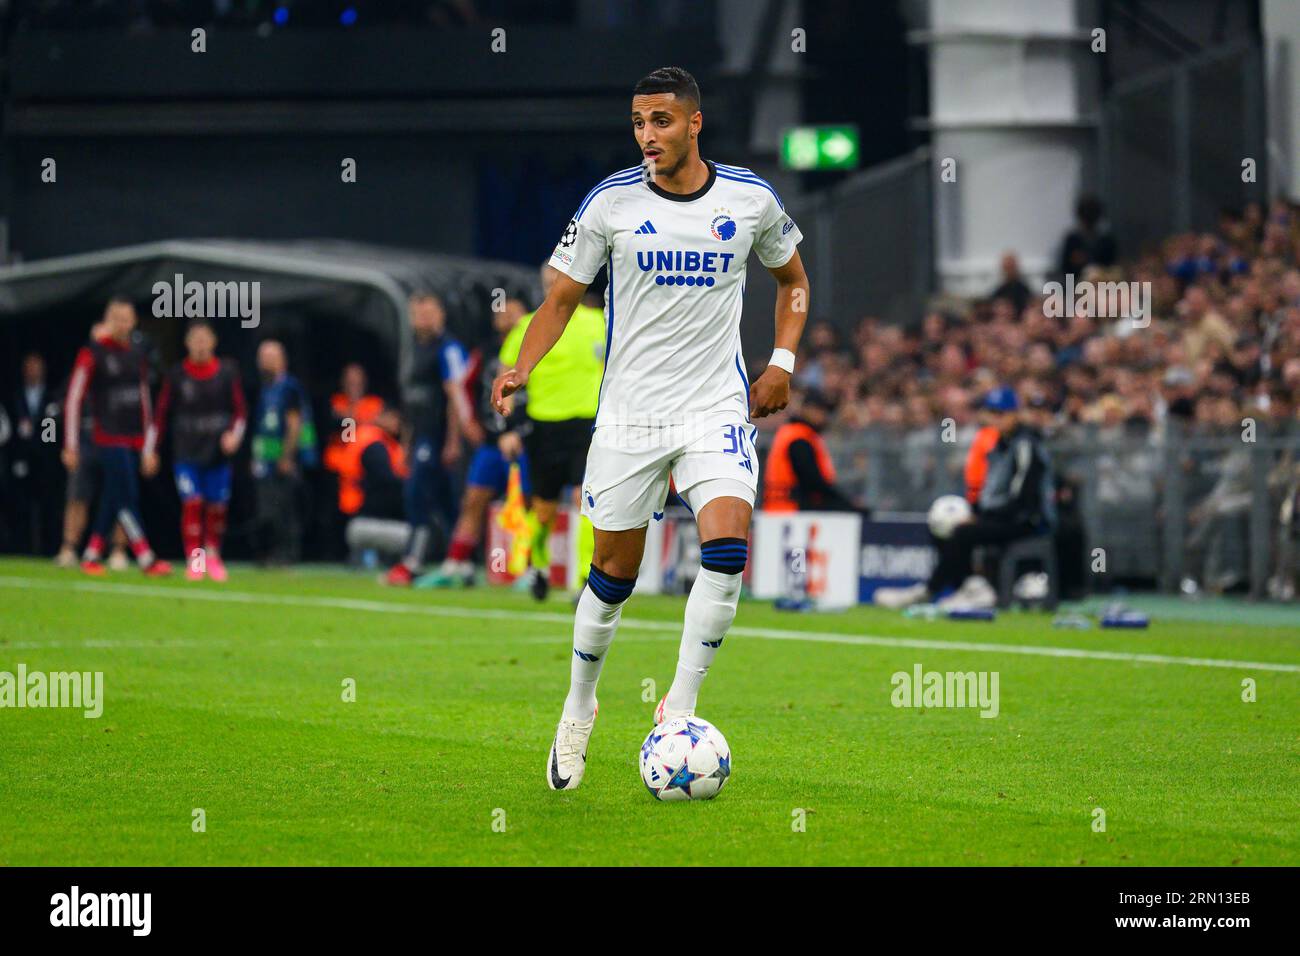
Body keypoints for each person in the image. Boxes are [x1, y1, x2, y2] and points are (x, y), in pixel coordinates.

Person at [492, 66, 809, 791]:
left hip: (714, 407)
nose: (647, 136)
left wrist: (782, 361)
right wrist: (524, 366)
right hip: (630, 414)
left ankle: (681, 707)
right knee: (613, 578)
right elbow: (562, 297)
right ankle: (579, 708)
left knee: (727, 547)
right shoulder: (612, 203)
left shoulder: (749, 199)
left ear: (694, 123)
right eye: (638, 122)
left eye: (661, 121)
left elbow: (793, 282)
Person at [875, 387, 1055, 610]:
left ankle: (934, 589)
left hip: (1027, 520)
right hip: (1004, 515)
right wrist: (977, 513)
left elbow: (1023, 497)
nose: (996, 419)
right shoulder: (999, 445)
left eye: (1001, 413)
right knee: (943, 526)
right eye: (992, 413)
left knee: (963, 532)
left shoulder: (1025, 444)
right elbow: (993, 491)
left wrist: (982, 517)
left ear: (1015, 414)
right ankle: (969, 586)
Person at [496, 265, 605, 600]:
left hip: (586, 423)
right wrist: (507, 428)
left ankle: (586, 579)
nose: (554, 286)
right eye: (547, 282)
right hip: (544, 427)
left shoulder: (599, 322)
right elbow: (504, 380)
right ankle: (538, 567)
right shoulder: (527, 328)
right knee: (543, 509)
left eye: (559, 279)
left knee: (584, 499)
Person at [419, 296, 534, 587]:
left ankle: (530, 568)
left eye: (513, 309)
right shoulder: (485, 352)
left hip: (526, 440)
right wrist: (469, 422)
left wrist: (524, 430)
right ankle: (456, 564)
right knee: (473, 500)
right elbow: (463, 387)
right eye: (501, 309)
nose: (505, 314)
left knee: (528, 504)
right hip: (491, 442)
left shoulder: (536, 350)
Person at [62, 298, 172, 576]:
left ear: (134, 321)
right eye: (116, 318)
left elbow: (144, 400)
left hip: (133, 438)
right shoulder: (93, 352)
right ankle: (145, 556)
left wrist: (149, 446)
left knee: (115, 497)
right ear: (107, 321)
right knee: (126, 497)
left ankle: (91, 554)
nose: (122, 324)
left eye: (126, 318)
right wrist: (70, 444)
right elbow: (74, 399)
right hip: (106, 437)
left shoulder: (138, 355)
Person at [385, 292, 480, 585]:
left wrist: (453, 441)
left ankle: (412, 561)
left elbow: (456, 395)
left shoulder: (448, 349)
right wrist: (407, 441)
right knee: (444, 500)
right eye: (417, 314)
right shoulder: (415, 349)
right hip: (422, 438)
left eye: (428, 313)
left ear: (441, 315)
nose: (421, 319)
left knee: (418, 494)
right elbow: (413, 403)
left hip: (441, 439)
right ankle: (462, 563)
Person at [147, 320, 246, 581]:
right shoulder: (177, 375)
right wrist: (151, 450)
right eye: (196, 339)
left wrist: (233, 437)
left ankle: (212, 554)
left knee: (216, 507)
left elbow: (240, 413)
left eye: (205, 339)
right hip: (186, 453)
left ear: (213, 342)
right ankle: (196, 558)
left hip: (216, 454)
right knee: (192, 503)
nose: (201, 345)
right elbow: (160, 415)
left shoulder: (227, 372)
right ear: (187, 343)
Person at [251, 339, 315, 565]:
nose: (264, 363)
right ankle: (272, 553)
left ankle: (288, 555)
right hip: (265, 461)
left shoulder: (288, 387)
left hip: (282, 460)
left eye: (269, 357)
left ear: (281, 360)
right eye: (262, 358)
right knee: (267, 510)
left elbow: (294, 424)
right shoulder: (265, 388)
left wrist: (287, 457)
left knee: (283, 510)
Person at [762, 389, 857, 512]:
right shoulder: (799, 438)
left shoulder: (794, 433)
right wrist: (846, 504)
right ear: (807, 410)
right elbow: (812, 482)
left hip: (781, 510)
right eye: (820, 410)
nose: (824, 416)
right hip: (792, 511)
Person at [7, 353, 62, 554]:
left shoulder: (51, 396)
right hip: (20, 457)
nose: (33, 371)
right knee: (20, 505)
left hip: (44, 458)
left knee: (48, 505)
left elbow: (51, 431)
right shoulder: (15, 396)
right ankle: (21, 547)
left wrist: (37, 436)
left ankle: (48, 547)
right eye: (29, 366)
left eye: (36, 366)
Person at [324, 363, 384, 517]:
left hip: (368, 471)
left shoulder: (374, 403)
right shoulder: (337, 403)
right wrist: (364, 418)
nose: (354, 384)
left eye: (357, 380)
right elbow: (347, 431)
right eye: (350, 381)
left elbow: (391, 425)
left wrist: (360, 419)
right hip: (339, 474)